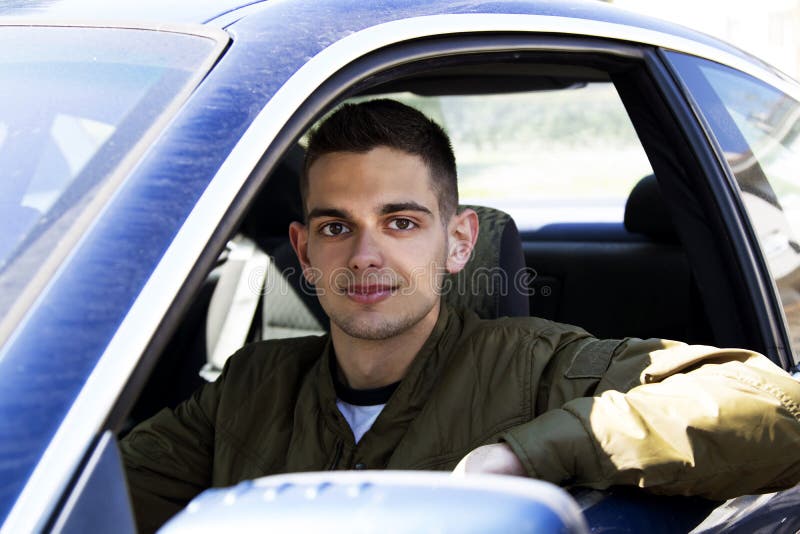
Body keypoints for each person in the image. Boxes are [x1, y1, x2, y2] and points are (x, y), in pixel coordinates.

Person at [121, 99, 800, 532]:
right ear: (302, 249)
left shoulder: (535, 365)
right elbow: (85, 499)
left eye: (401, 221)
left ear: (458, 242)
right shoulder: (247, 388)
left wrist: (518, 459)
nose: (365, 255)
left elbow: (776, 410)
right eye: (336, 227)